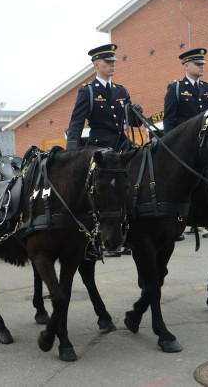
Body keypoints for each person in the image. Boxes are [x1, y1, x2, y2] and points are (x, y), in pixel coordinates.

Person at [66, 44, 143, 259]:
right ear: (96, 64)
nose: (112, 65)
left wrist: (137, 112)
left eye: (114, 62)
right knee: (95, 192)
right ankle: (93, 238)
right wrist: (71, 151)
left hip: (121, 145)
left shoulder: (121, 91)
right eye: (108, 62)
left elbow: (133, 122)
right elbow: (77, 122)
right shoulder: (88, 92)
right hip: (99, 147)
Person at [163, 48, 208, 240]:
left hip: (206, 144)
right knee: (184, 183)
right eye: (197, 63)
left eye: (202, 63)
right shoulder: (176, 89)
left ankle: (203, 220)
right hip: (185, 145)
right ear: (186, 65)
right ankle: (182, 220)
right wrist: (169, 147)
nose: (202, 66)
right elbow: (170, 120)